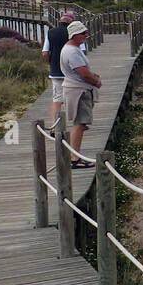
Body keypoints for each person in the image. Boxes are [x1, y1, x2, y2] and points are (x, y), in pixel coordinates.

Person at [60, 20, 102, 169]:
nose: (86, 35)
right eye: (83, 33)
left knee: (80, 124)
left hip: (77, 89)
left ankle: (74, 156)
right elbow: (83, 73)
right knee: (79, 124)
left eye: (86, 32)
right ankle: (75, 158)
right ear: (74, 35)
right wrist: (96, 81)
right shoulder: (72, 52)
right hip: (78, 91)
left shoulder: (72, 49)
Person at [41, 11, 78, 127]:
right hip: (73, 71)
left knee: (57, 99)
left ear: (60, 21)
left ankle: (56, 126)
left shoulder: (51, 32)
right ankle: (76, 124)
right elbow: (81, 51)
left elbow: (45, 53)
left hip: (56, 71)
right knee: (74, 97)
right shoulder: (75, 33)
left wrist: (51, 63)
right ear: (72, 22)